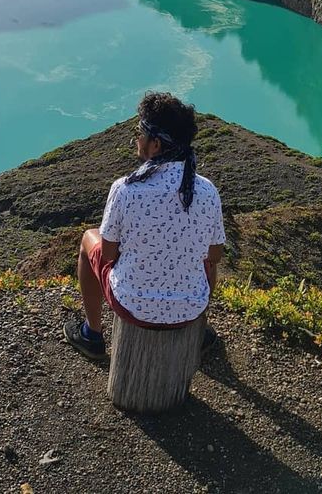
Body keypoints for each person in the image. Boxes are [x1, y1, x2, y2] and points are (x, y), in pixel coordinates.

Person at [64, 91, 225, 359]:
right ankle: (198, 331)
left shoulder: (125, 189)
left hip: (132, 306)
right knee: (207, 262)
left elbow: (108, 254)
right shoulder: (207, 190)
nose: (136, 138)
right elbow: (216, 254)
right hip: (192, 308)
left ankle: (92, 334)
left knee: (87, 240)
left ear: (156, 145)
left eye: (140, 131)